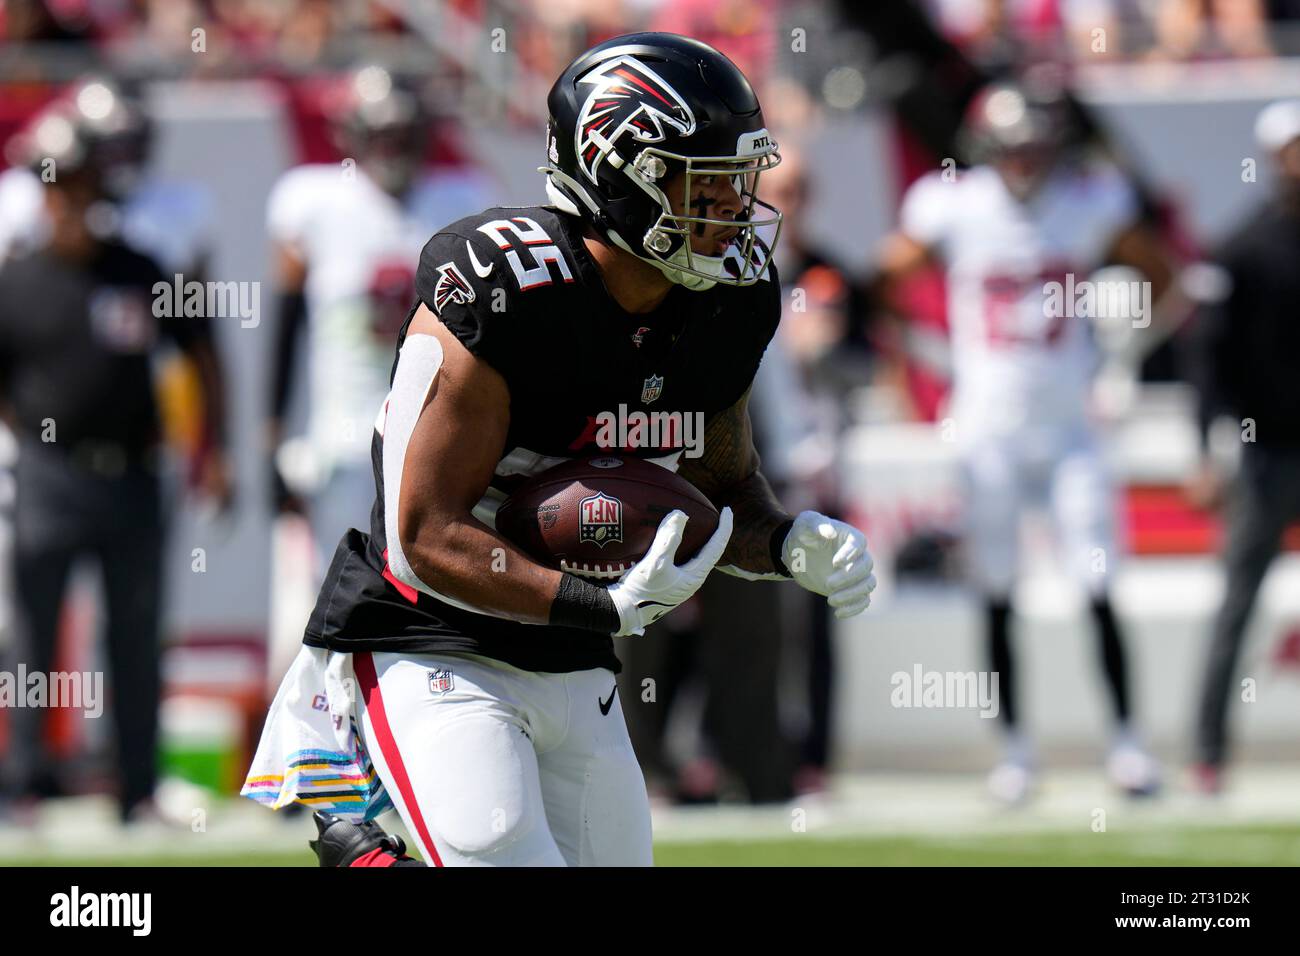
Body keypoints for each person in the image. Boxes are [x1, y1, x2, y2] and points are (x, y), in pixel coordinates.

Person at [243, 32, 877, 866]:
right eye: (708, 181)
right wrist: (598, 604)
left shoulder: (729, 298)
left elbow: (722, 490)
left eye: (738, 179)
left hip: (571, 656)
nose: (734, 207)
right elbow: (423, 533)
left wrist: (788, 542)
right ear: (623, 177)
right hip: (431, 637)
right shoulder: (504, 286)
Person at [876, 77, 1173, 803]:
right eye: (1013, 147)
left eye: (1037, 145)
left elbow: (1165, 275)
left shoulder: (1090, 201)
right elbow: (883, 281)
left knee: (1099, 585)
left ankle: (1129, 744)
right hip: (988, 430)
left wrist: (1121, 356)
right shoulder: (954, 206)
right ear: (987, 148)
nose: (1026, 160)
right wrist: (930, 356)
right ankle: (1014, 749)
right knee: (998, 590)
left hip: (1072, 427)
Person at [0, 94, 230, 824]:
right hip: (47, 474)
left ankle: (137, 788)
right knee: (34, 637)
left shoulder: (142, 268)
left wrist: (212, 451)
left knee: (135, 635)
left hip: (134, 474)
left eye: (84, 181)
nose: (73, 196)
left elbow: (202, 356)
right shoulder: (17, 280)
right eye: (60, 181)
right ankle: (27, 783)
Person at [265, 64, 493, 574]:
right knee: (349, 590)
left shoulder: (460, 201)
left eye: (403, 135)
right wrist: (273, 438)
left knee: (429, 591)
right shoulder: (315, 202)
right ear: (354, 135)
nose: (393, 149)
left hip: (439, 438)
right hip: (345, 439)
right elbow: (285, 331)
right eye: (381, 134)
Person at [1187, 100, 1300, 794]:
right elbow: (1208, 361)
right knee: (1236, 604)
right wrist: (1206, 449)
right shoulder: (1243, 248)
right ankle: (1209, 752)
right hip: (1268, 456)